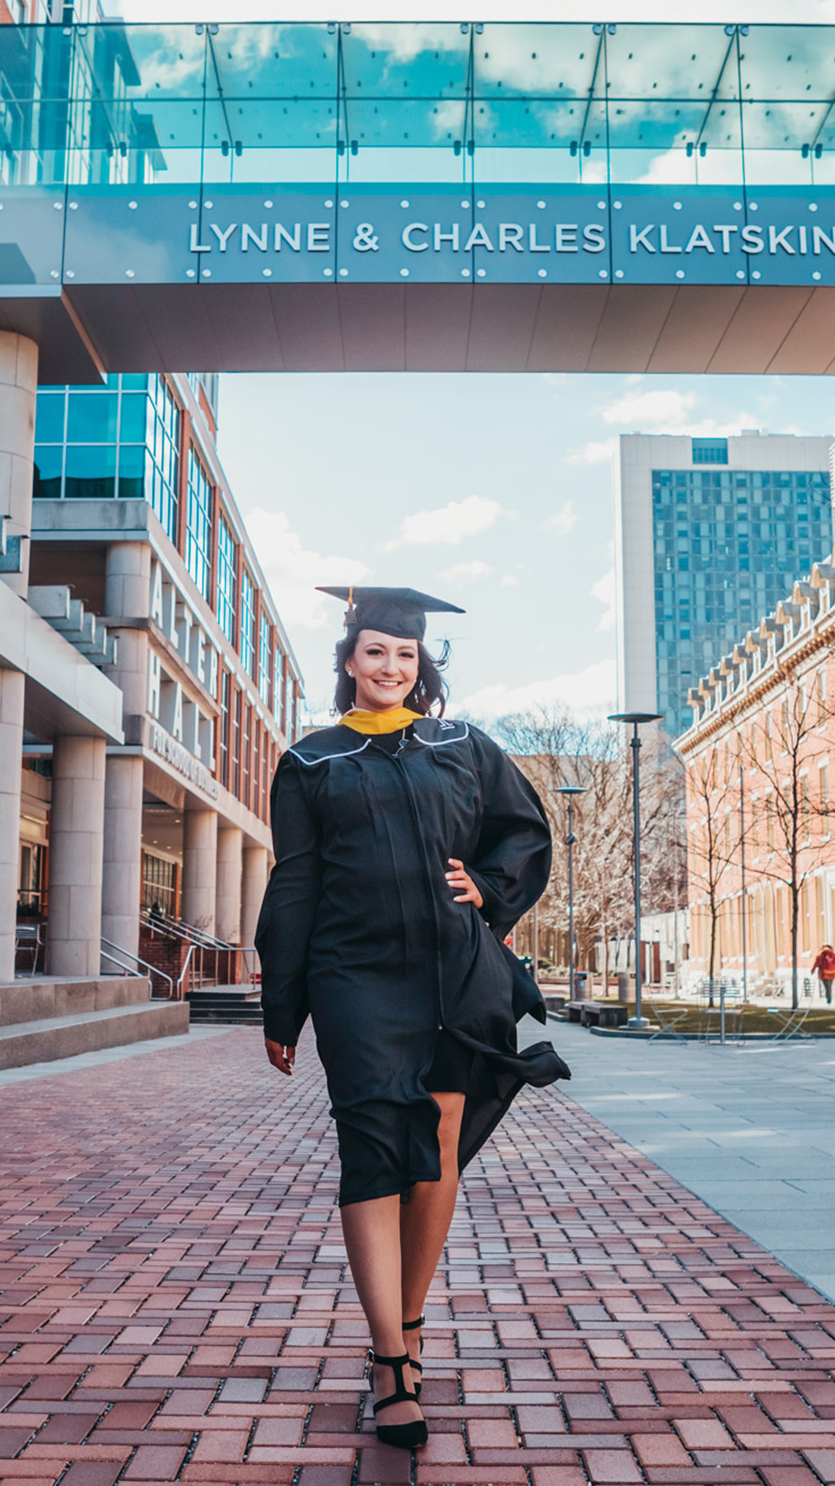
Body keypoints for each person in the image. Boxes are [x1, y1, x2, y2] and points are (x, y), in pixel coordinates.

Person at [255, 585, 570, 1451]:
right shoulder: (311, 762)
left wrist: (491, 892)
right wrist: (283, 1000)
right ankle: (390, 1359)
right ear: (348, 662)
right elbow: (296, 882)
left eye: (404, 655)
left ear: (420, 665)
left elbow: (523, 830)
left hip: (454, 971)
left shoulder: (461, 745)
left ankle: (413, 1323)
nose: (390, 666)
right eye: (373, 652)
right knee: (371, 1148)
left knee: (434, 1152)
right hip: (354, 976)